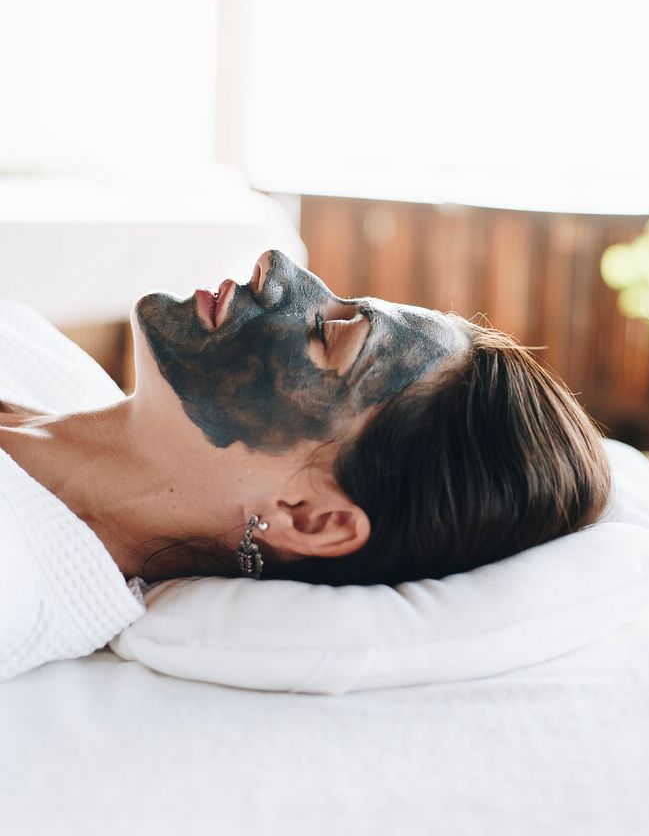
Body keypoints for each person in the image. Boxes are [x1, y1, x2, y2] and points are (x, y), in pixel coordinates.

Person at [0, 248, 610, 606]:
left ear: (308, 516)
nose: (277, 266)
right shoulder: (34, 353)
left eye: (330, 334)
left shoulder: (21, 585)